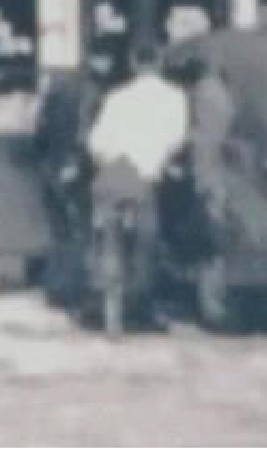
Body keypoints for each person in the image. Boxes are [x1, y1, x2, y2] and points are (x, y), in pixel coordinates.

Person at [83, 39, 190, 323]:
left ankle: (109, 303)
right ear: (160, 63)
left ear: (133, 64)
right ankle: (140, 307)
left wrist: (109, 160)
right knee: (146, 240)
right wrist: (161, 160)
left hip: (115, 173)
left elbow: (96, 141)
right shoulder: (174, 96)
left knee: (109, 236)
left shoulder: (116, 96)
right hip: (146, 179)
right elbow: (177, 139)